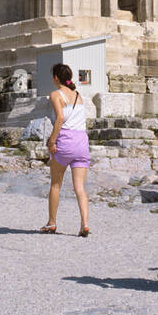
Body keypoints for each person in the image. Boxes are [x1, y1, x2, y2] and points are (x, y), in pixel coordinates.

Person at [40, 64, 91, 237]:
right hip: (82, 142)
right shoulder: (78, 95)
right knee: (80, 187)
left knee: (55, 184)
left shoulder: (55, 95)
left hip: (66, 141)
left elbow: (60, 118)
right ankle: (84, 223)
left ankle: (51, 223)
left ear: (55, 77)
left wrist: (51, 140)